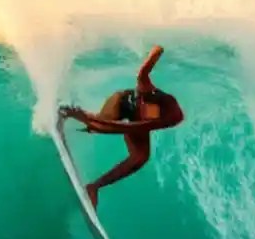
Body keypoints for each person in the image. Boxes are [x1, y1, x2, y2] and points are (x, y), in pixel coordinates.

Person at [59, 45, 184, 209]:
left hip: (134, 124)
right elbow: (143, 72)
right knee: (96, 125)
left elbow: (124, 128)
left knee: (140, 157)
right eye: (142, 101)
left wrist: (88, 119)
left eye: (147, 107)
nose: (142, 103)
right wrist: (155, 54)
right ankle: (69, 110)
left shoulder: (168, 117)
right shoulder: (147, 89)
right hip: (120, 102)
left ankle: (94, 186)